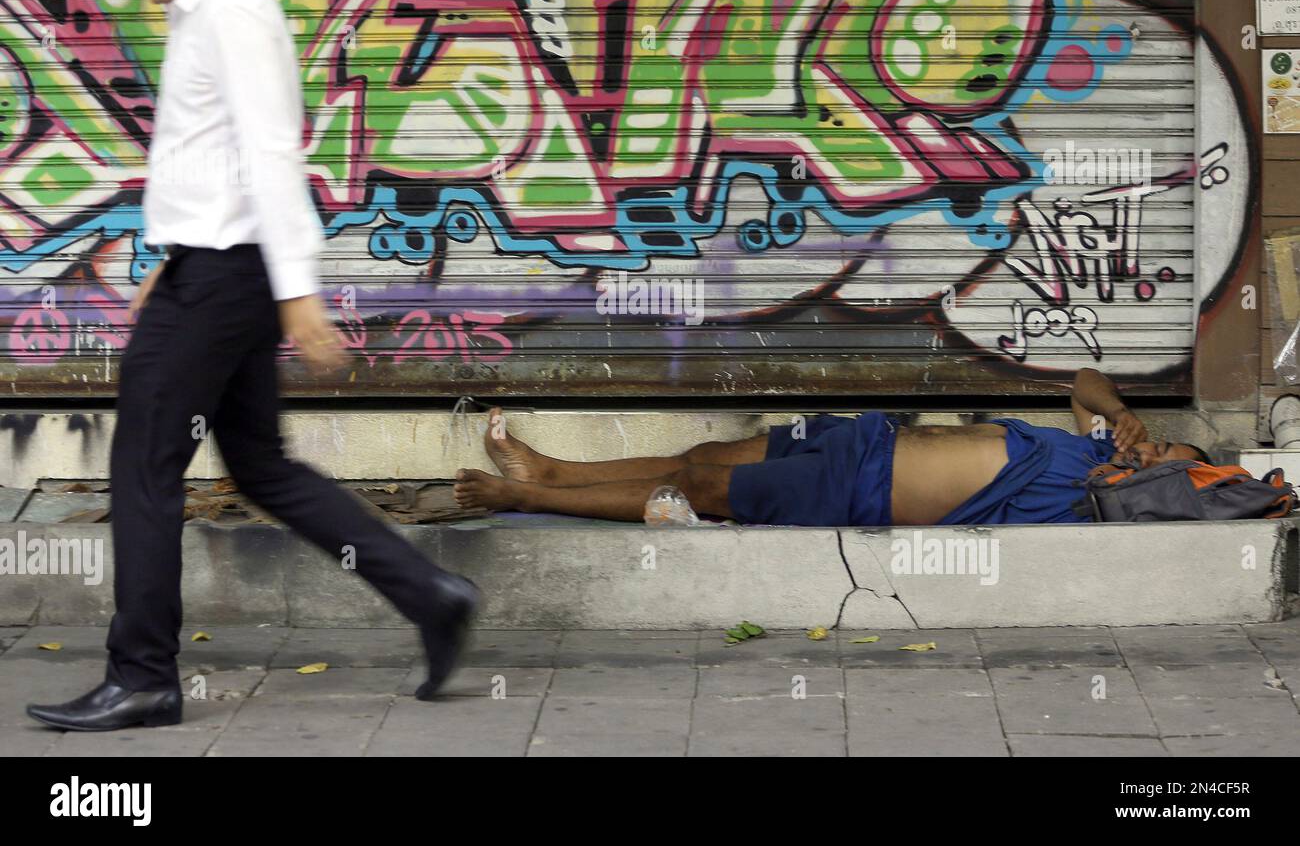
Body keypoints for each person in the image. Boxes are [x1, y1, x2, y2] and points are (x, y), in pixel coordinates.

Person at [25, 0, 477, 733]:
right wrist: (179, 245)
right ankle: (429, 593)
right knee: (260, 464)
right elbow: (219, 154)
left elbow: (273, 154)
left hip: (230, 276)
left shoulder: (233, 11)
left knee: (143, 466)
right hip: (216, 264)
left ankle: (145, 676)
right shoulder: (209, 10)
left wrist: (297, 292)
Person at [453, 368, 1210, 526]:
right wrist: (1121, 409)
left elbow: (1205, 493)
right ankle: (552, 467)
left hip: (856, 495)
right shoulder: (1100, 448)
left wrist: (1158, 469)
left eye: (1167, 455)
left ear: (1168, 488)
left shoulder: (1094, 498)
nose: (1155, 446)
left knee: (705, 492)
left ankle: (526, 493)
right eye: (1162, 441)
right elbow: (1082, 381)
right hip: (864, 441)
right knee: (705, 458)